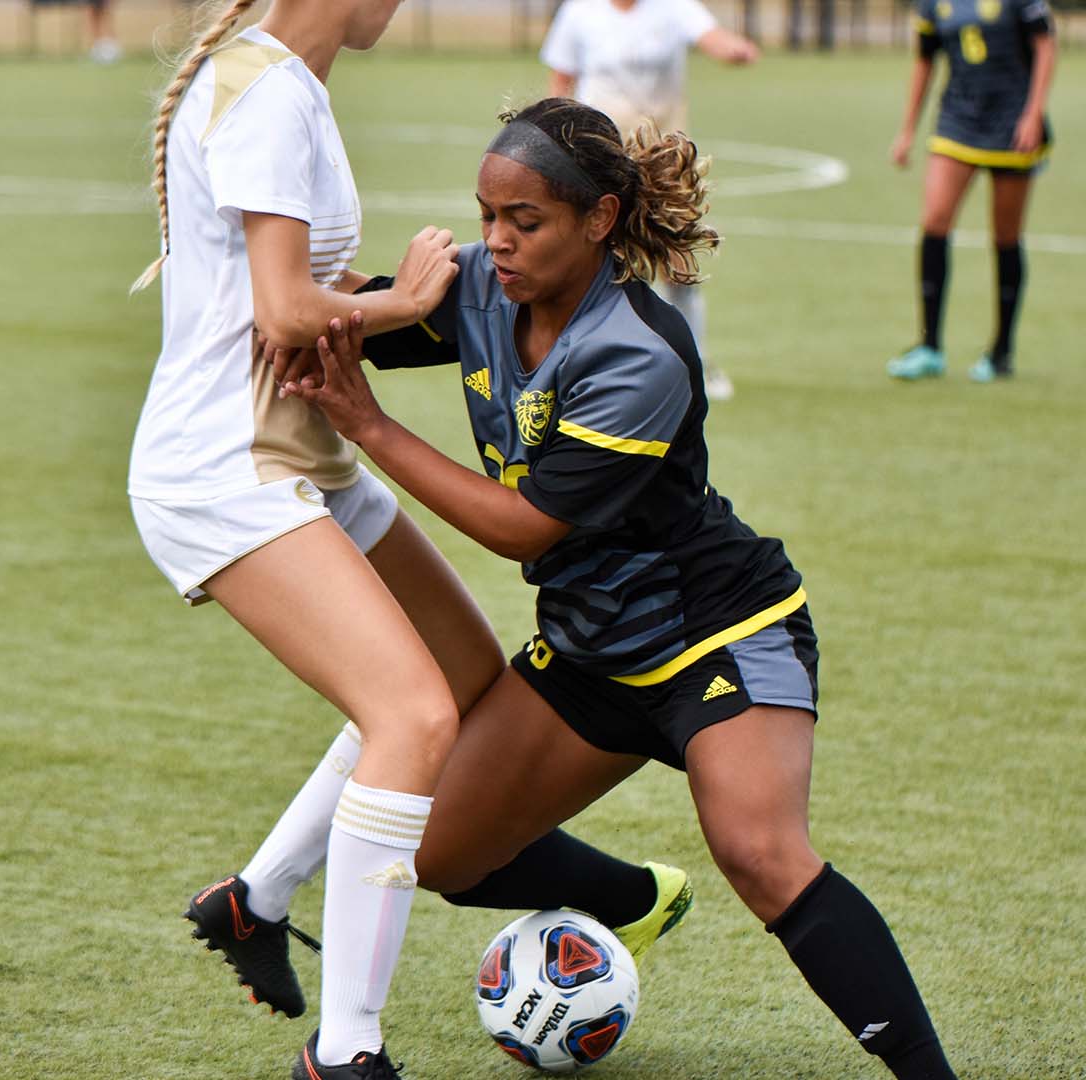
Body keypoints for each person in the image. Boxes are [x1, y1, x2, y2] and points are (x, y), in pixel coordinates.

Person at [282, 97, 961, 1080]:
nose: (497, 241)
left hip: (714, 632)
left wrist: (372, 428)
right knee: (442, 855)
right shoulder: (483, 288)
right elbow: (342, 323)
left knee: (762, 856)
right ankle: (637, 901)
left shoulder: (637, 350)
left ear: (599, 219)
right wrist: (283, 282)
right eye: (486, 216)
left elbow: (525, 527)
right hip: (591, 646)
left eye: (525, 221)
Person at [125, 1, 491, 1076]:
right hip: (225, 468)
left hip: (298, 450)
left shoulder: (289, 82)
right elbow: (286, 312)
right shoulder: (270, 92)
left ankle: (256, 900)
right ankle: (347, 1054)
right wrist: (410, 300)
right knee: (414, 715)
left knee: (463, 676)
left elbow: (293, 297)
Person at [539, 0, 759, 401]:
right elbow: (561, 80)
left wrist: (733, 48)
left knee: (677, 263)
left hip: (662, 161)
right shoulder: (580, 10)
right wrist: (551, 139)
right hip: (599, 159)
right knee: (596, 261)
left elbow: (710, 36)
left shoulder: (672, 6)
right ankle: (586, 363)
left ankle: (694, 363)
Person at [887, 0, 1056, 383]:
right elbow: (925, 60)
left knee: (1006, 236)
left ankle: (1001, 351)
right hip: (957, 120)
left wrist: (1033, 114)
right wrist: (907, 129)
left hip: (1012, 123)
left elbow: (1046, 45)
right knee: (934, 221)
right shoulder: (933, 4)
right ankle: (929, 347)